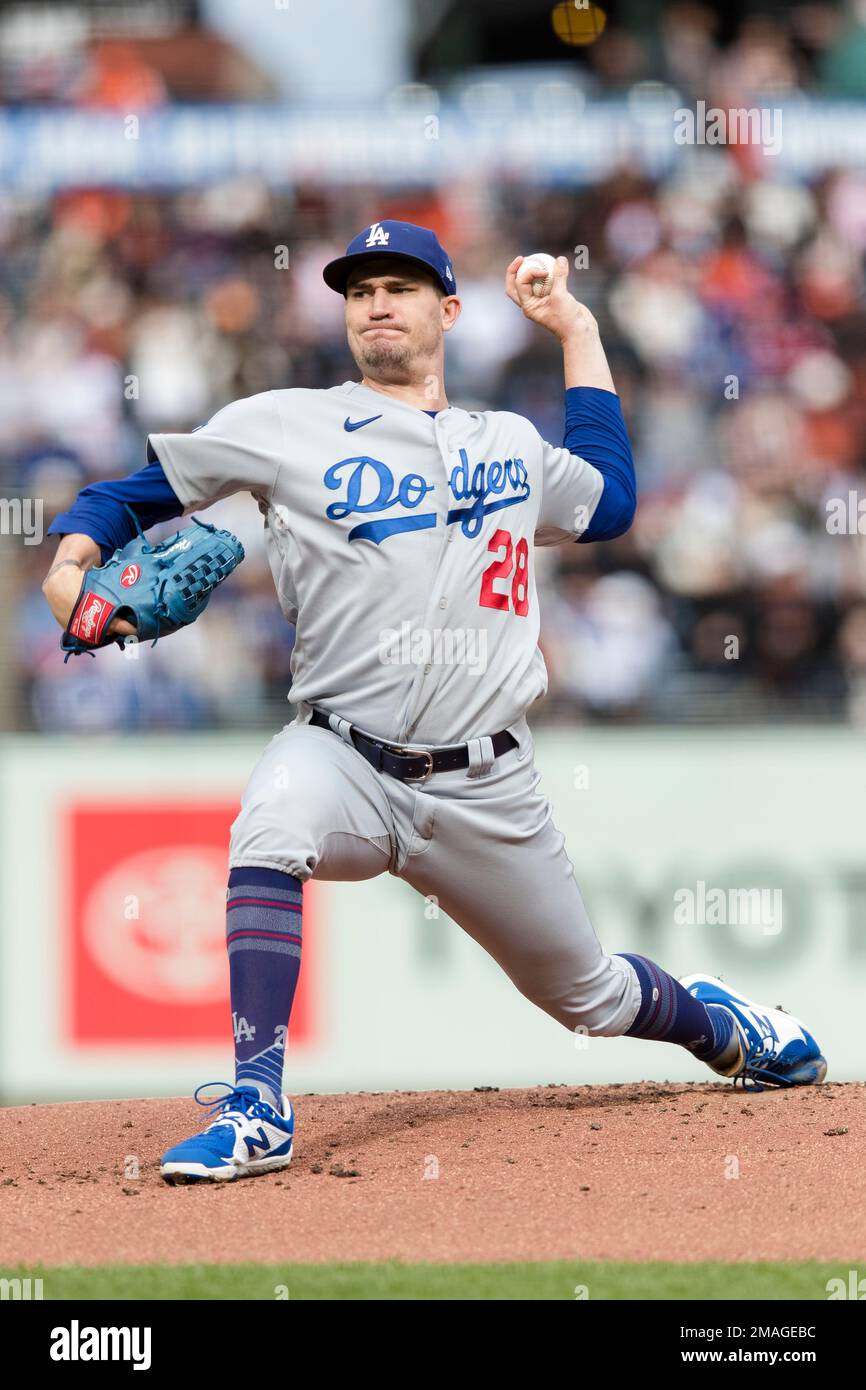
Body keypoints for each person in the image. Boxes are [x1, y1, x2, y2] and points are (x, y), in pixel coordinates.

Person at [42, 220, 827, 1184]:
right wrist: (74, 562)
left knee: (585, 995)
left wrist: (575, 329)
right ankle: (257, 1104)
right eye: (360, 288)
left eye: (402, 287)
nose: (377, 302)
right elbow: (132, 493)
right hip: (343, 755)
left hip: (485, 783)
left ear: (447, 312)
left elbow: (613, 503)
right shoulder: (285, 421)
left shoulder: (508, 442)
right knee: (268, 822)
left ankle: (720, 1024)